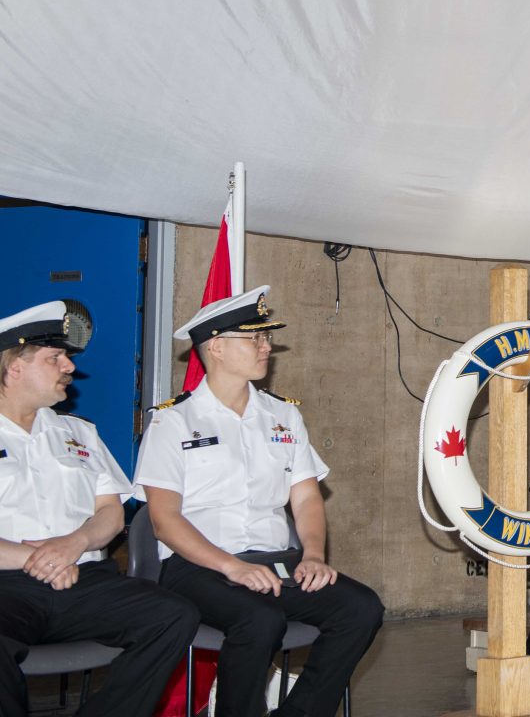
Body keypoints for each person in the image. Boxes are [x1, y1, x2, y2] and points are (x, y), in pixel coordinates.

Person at [134, 286, 382, 717]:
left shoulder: (283, 416)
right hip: (200, 566)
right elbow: (164, 520)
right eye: (255, 337)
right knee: (260, 618)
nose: (267, 346)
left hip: (273, 560)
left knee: (360, 608)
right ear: (216, 347)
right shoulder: (173, 421)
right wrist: (232, 566)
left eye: (266, 337)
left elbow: (305, 497)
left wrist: (315, 555)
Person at [0, 301, 199, 717]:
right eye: (55, 358)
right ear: (14, 368)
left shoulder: (78, 432)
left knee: (172, 615)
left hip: (83, 579)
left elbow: (111, 511)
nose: (69, 367)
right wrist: (43, 557)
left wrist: (75, 543)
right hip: (8, 586)